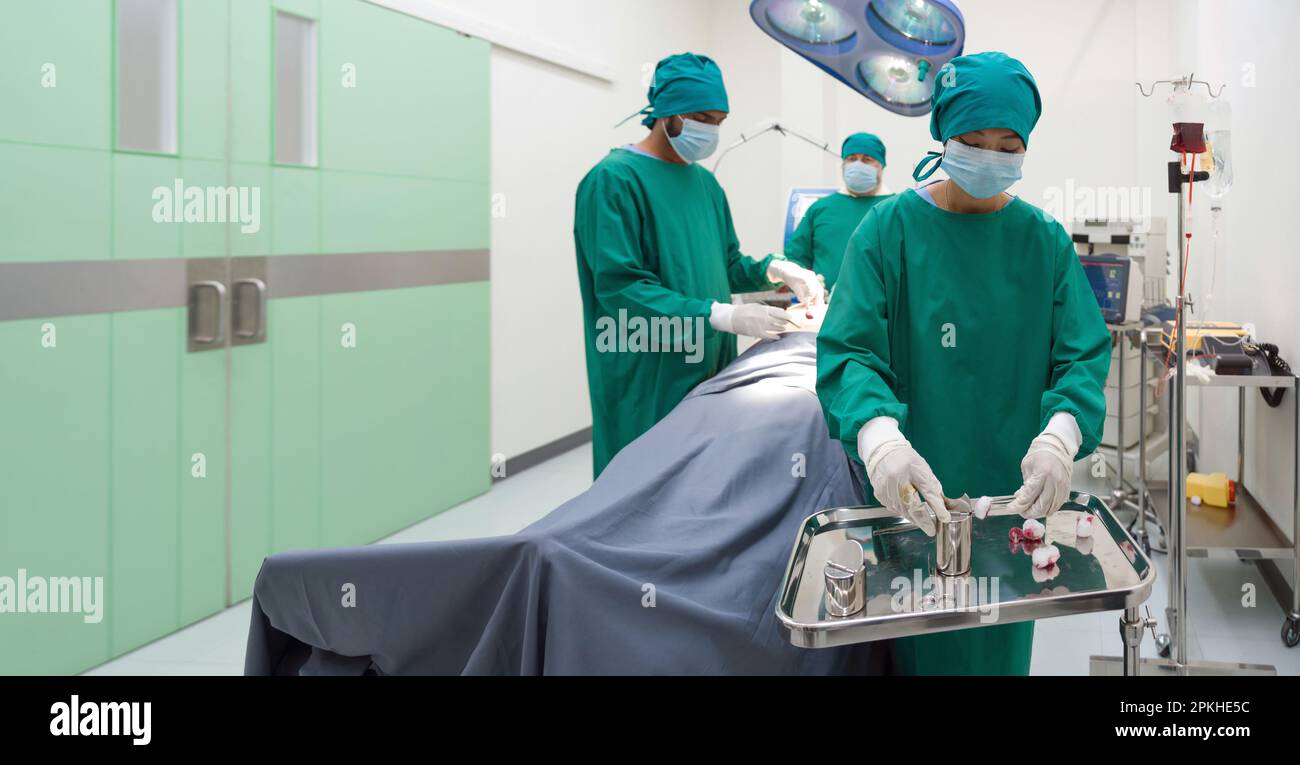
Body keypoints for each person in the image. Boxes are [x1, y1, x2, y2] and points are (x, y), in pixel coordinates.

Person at [816, 52, 1111, 675]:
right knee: (918, 640)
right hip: (912, 498)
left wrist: (1061, 437)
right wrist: (879, 439)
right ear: (942, 136)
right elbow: (848, 352)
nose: (989, 155)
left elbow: (1081, 355)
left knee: (998, 644)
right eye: (972, 140)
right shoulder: (886, 232)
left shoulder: (1045, 243)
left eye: (1007, 144)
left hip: (1013, 504)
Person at [574, 53, 825, 478]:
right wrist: (721, 314)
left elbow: (726, 263)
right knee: (642, 486)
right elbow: (620, 289)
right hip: (647, 367)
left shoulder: (705, 184)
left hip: (709, 365)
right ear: (665, 114)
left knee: (699, 486)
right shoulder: (613, 180)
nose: (710, 130)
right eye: (700, 117)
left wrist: (775, 270)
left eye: (719, 120)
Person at [784, 133, 892, 291]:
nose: (858, 164)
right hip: (826, 308)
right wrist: (804, 282)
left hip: (883, 310)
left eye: (867, 159)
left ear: (881, 166)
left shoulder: (895, 209)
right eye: (851, 158)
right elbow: (795, 257)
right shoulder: (820, 208)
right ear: (843, 164)